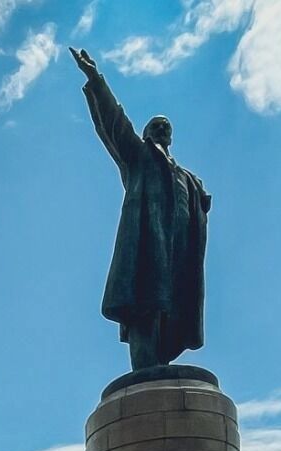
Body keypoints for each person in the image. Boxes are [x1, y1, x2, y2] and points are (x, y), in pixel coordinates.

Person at [72, 46, 212, 370]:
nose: (162, 130)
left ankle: (159, 364)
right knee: (146, 307)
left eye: (167, 128)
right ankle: (146, 368)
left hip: (178, 255)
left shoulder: (187, 177)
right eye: (156, 127)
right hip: (148, 249)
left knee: (171, 307)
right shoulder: (139, 159)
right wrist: (96, 80)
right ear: (146, 134)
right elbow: (114, 124)